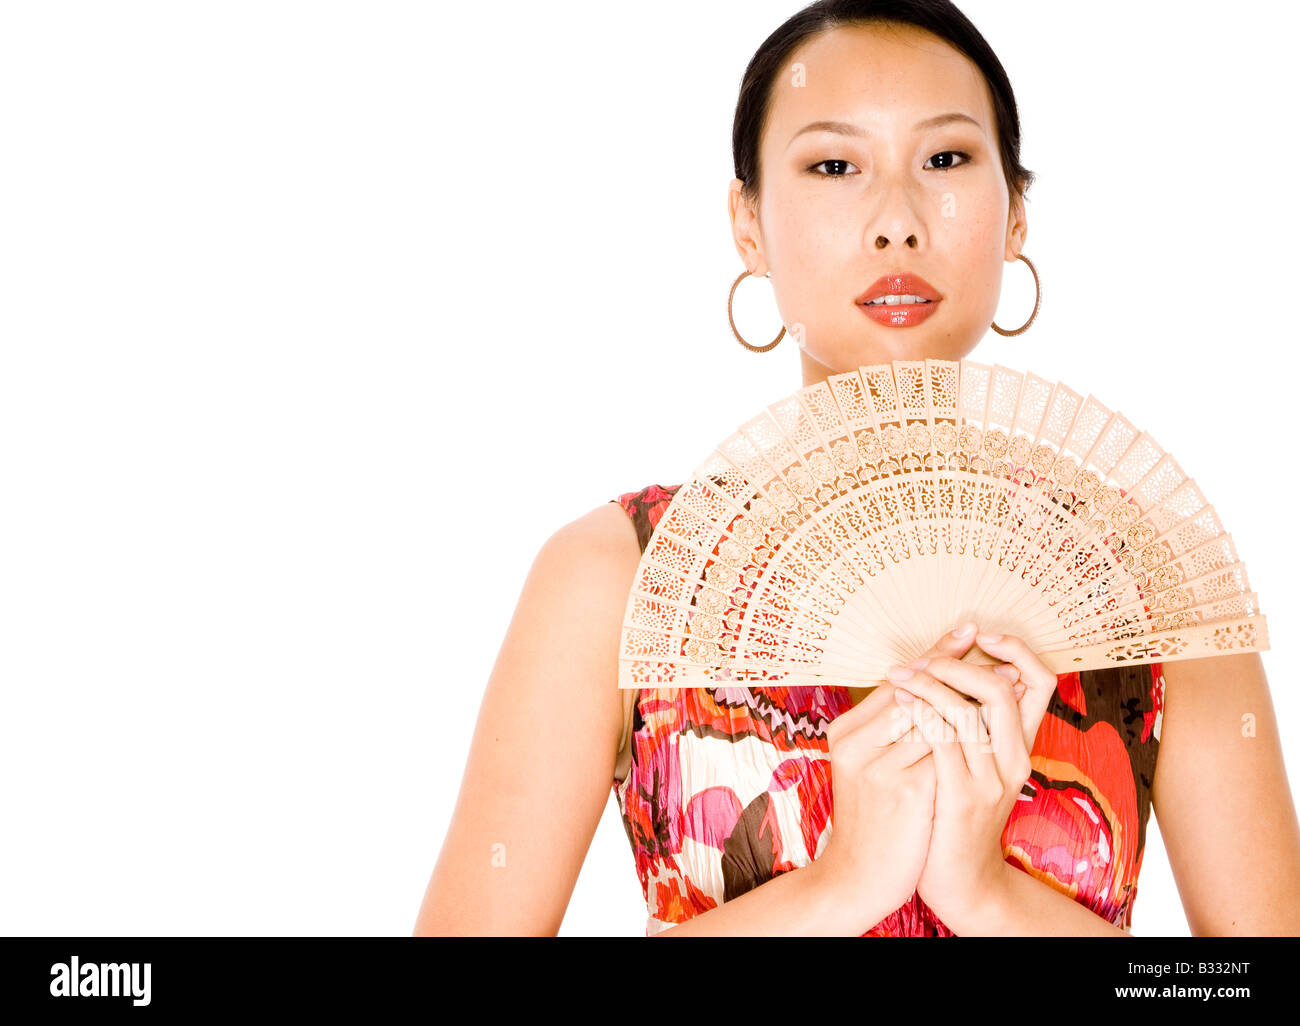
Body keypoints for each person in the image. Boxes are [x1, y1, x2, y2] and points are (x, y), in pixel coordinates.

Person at [412, 0, 1300, 936]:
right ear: (747, 223)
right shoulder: (619, 579)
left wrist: (988, 896)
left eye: (947, 161)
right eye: (834, 166)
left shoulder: (1151, 580)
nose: (897, 224)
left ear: (1016, 216)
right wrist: (839, 885)